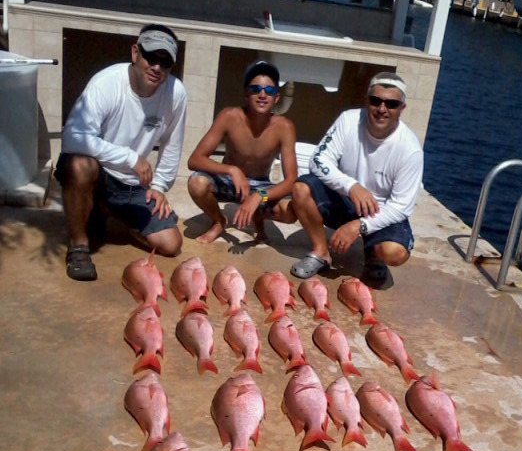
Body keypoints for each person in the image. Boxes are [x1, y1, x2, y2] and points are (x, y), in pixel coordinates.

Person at [57, 23, 187, 281]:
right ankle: (79, 246)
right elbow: (72, 138)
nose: (157, 67)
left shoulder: (176, 93)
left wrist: (159, 187)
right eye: (151, 57)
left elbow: (173, 144)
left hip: (135, 185)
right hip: (100, 176)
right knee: (80, 166)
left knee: (171, 245)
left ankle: (107, 212)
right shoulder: (106, 83)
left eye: (166, 62)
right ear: (135, 52)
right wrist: (129, 157)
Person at [289, 71, 423, 284]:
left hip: (382, 212)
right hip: (344, 198)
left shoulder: (410, 149)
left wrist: (358, 226)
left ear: (402, 108)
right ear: (366, 100)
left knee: (395, 252)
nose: (382, 109)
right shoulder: (348, 120)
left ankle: (373, 255)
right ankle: (320, 252)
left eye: (391, 104)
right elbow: (318, 160)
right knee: (297, 192)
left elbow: (402, 206)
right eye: (375, 100)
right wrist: (351, 186)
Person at [187, 60, 298, 244]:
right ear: (246, 93)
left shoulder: (284, 127)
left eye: (269, 91)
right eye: (256, 89)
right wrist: (232, 170)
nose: (262, 95)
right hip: (228, 181)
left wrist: (259, 196)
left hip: (259, 185)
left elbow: (291, 181)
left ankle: (258, 217)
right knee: (197, 184)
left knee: (290, 212)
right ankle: (219, 221)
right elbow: (195, 159)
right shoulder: (230, 116)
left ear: (276, 97)